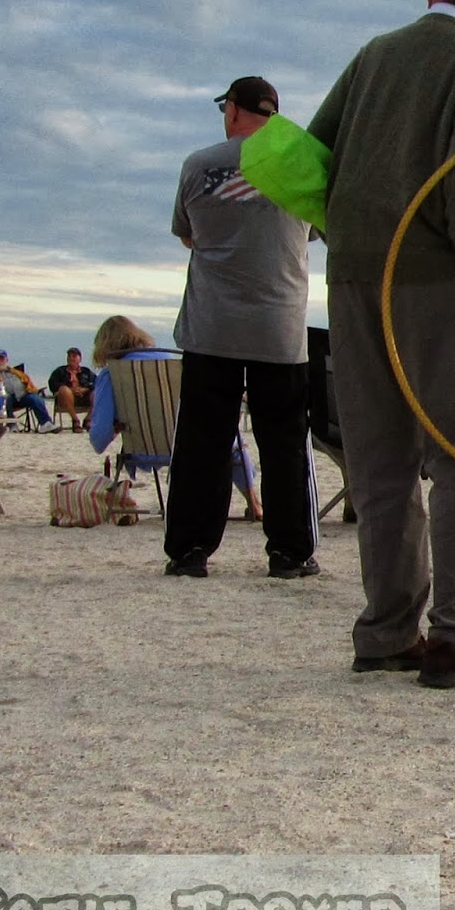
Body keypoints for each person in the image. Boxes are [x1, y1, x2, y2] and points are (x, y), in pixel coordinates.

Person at [308, 0, 455, 688]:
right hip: (440, 276)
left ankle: (388, 630)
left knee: (380, 461)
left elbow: (313, 155)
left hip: (356, 275)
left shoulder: (374, 54)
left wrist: (345, 238)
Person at [164, 76, 317, 580]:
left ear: (232, 111)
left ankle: (190, 551)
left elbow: (187, 235)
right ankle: (289, 552)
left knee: (202, 440)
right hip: (279, 324)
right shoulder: (300, 161)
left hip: (213, 323)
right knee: (284, 442)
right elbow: (313, 228)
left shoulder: (199, 164)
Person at [88, 315, 259, 512]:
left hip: (145, 449)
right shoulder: (173, 363)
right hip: (192, 445)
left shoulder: (112, 374)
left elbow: (99, 439)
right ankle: (253, 503)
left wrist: (114, 429)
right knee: (232, 446)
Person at [0, 350, 59, 432]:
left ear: (6, 360)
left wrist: (34, 391)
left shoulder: (16, 372)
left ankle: (45, 424)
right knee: (6, 397)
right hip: (1, 400)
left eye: (2, 359)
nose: (0, 361)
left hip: (22, 397)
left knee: (35, 398)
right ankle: (11, 425)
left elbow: (29, 383)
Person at [48, 348, 96, 432]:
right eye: (69, 356)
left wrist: (84, 389)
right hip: (65, 398)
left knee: (97, 393)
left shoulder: (86, 371)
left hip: (84, 397)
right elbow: (53, 384)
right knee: (64, 390)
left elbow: (96, 382)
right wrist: (70, 389)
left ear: (80, 359)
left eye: (74, 356)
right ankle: (75, 420)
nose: (71, 358)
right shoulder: (60, 371)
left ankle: (88, 419)